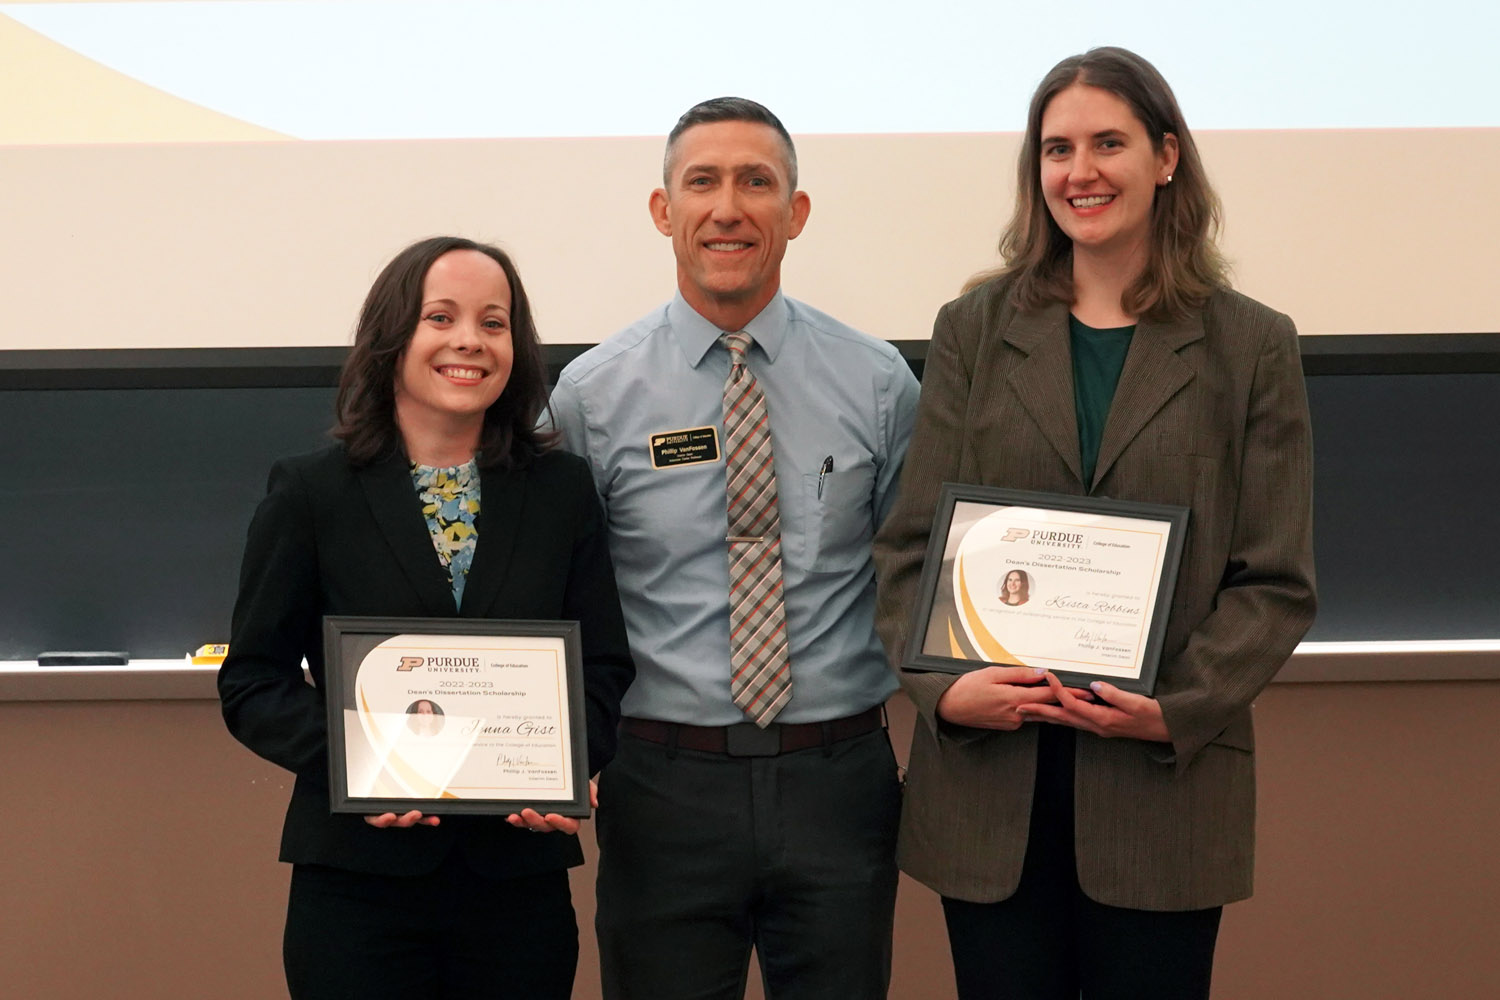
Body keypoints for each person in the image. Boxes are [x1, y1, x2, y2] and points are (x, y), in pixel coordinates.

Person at [873, 47, 1316, 1000]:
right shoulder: (974, 331)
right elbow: (911, 550)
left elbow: (1275, 579)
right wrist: (944, 693)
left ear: (1165, 158)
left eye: (1108, 143)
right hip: (991, 789)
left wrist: (1175, 709)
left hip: (1162, 788)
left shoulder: (1252, 345)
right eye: (1057, 148)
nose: (1081, 172)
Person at [549, 97, 920, 1000]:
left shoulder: (880, 384)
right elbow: (557, 596)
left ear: (794, 213)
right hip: (662, 786)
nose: (728, 207)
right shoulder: (589, 399)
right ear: (662, 210)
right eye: (701, 182)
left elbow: (920, 579)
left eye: (757, 182)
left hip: (838, 782)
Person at [218, 236, 635, 1000]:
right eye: (440, 317)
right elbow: (253, 681)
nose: (469, 340)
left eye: (494, 322)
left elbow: (605, 667)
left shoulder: (561, 490)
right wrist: (360, 761)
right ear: (392, 336)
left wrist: (571, 762)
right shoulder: (313, 492)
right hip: (356, 888)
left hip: (518, 885)